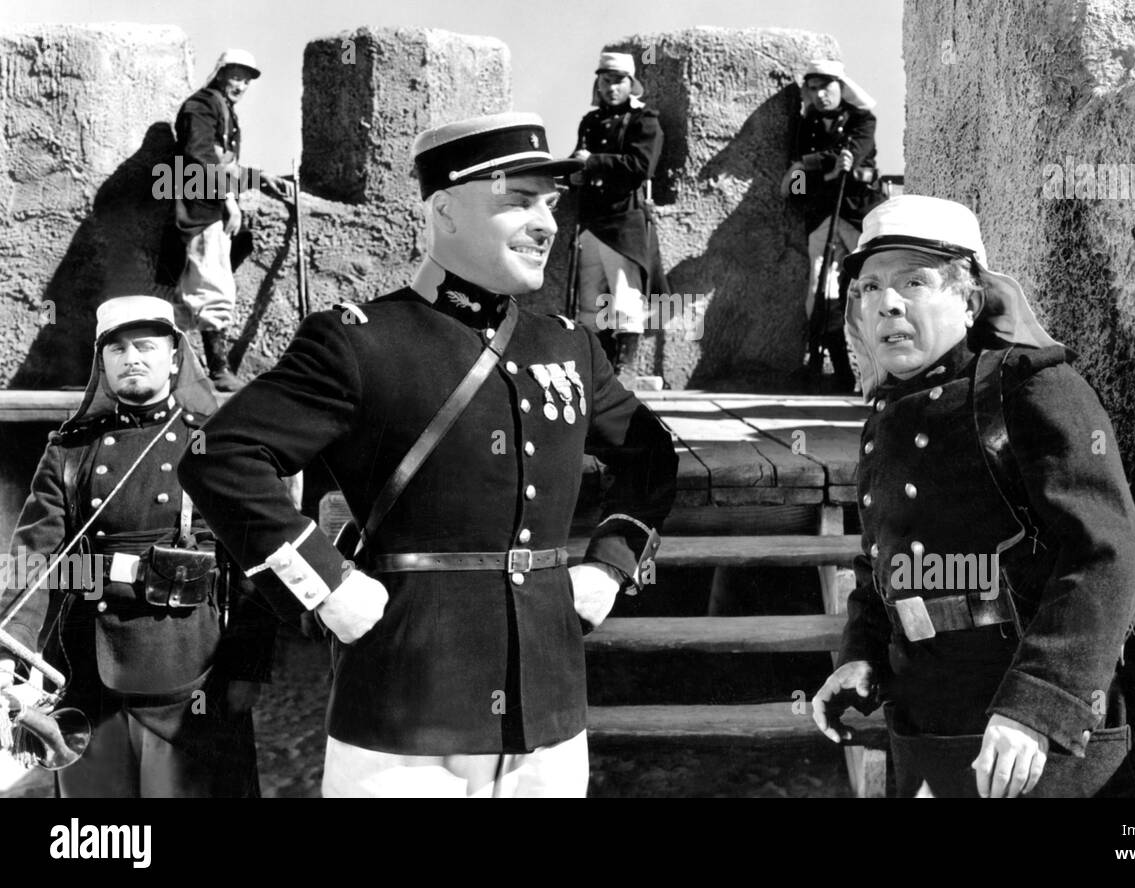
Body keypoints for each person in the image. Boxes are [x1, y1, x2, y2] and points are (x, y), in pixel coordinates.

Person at [178, 111, 679, 798]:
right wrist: (328, 585)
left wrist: (611, 564)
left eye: (551, 204)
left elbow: (651, 457)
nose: (546, 224)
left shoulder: (567, 347)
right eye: (519, 201)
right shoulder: (359, 343)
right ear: (443, 211)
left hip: (549, 711)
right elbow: (221, 454)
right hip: (403, 709)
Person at [811, 195, 1135, 798]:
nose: (886, 303)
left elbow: (1108, 555)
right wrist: (859, 654)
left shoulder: (1031, 389)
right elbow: (882, 562)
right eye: (867, 288)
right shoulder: (882, 415)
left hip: (1033, 748)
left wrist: (1037, 707)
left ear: (969, 300)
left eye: (915, 281)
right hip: (928, 736)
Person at [0, 295, 277, 797]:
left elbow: (253, 563)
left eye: (146, 345)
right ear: (101, 363)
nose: (132, 357)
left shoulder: (214, 445)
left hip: (189, 673)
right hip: (86, 678)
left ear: (174, 356)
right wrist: (10, 646)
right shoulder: (70, 450)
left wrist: (247, 664)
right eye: (117, 348)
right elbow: (31, 561)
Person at [158, 48, 289, 392]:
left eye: (247, 79)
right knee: (214, 287)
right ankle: (218, 368)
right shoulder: (201, 106)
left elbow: (223, 162)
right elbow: (199, 158)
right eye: (235, 75)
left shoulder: (222, 110)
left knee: (192, 293)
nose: (241, 85)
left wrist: (260, 178)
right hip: (200, 209)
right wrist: (229, 199)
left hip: (204, 206)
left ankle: (180, 370)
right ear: (219, 73)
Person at [781, 59, 880, 390]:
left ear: (841, 87)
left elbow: (855, 154)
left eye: (827, 86)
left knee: (870, 286)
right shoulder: (805, 125)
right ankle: (840, 372)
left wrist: (817, 163)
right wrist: (826, 167)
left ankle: (879, 371)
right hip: (822, 214)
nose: (821, 94)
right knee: (819, 292)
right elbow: (800, 166)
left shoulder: (861, 119)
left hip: (857, 212)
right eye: (813, 87)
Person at [570, 51, 669, 378]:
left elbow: (641, 168)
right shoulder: (591, 121)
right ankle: (598, 374)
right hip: (591, 223)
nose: (612, 87)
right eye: (606, 80)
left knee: (627, 300)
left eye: (618, 81)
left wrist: (592, 161)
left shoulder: (645, 120)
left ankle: (624, 370)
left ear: (631, 83)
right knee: (589, 305)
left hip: (623, 221)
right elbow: (579, 166)